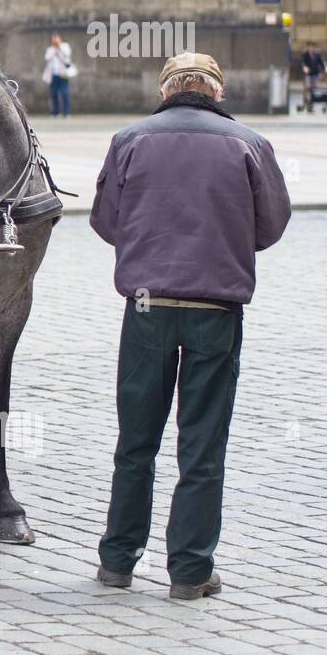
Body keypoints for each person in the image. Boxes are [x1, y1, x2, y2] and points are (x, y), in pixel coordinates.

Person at [90, 52, 291, 600]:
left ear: (165, 91)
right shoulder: (248, 143)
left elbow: (107, 222)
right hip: (214, 311)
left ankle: (117, 561)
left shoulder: (130, 140)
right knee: (201, 447)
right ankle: (190, 571)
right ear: (217, 93)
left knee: (136, 442)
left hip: (147, 311)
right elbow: (270, 226)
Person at [42, 33, 75, 116]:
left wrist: (59, 47)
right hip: (53, 74)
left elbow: (66, 55)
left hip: (63, 74)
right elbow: (47, 58)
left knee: (65, 93)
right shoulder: (50, 49)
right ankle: (55, 112)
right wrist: (54, 49)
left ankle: (67, 112)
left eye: (57, 39)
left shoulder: (65, 46)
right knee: (53, 93)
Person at [302, 42, 327, 112]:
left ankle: (311, 105)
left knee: (314, 89)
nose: (310, 48)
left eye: (311, 47)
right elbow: (303, 62)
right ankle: (305, 102)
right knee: (306, 88)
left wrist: (326, 67)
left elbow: (322, 62)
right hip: (308, 74)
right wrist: (304, 67)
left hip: (315, 73)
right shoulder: (304, 53)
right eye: (309, 47)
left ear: (313, 47)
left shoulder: (317, 54)